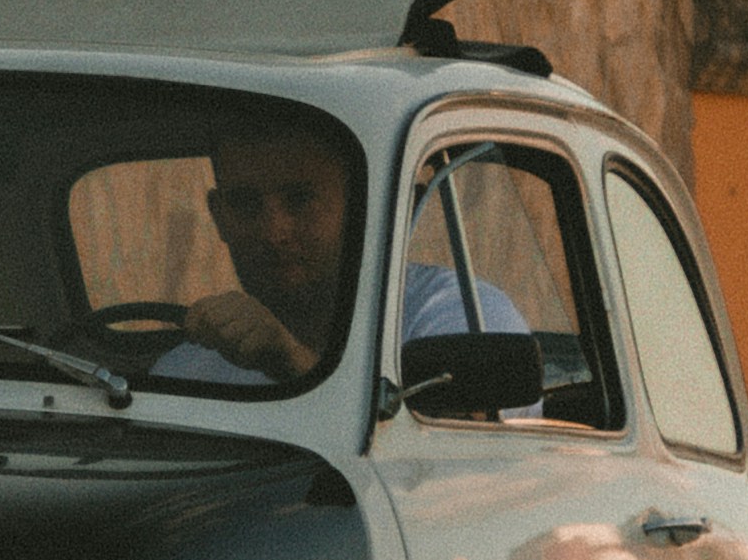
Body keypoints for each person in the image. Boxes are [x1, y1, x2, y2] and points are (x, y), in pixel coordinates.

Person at [143, 125, 518, 389]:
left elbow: (443, 476)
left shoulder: (459, 319)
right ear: (219, 217)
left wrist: (291, 363)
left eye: (300, 200)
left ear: (384, 209)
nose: (274, 232)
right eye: (245, 204)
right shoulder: (185, 371)